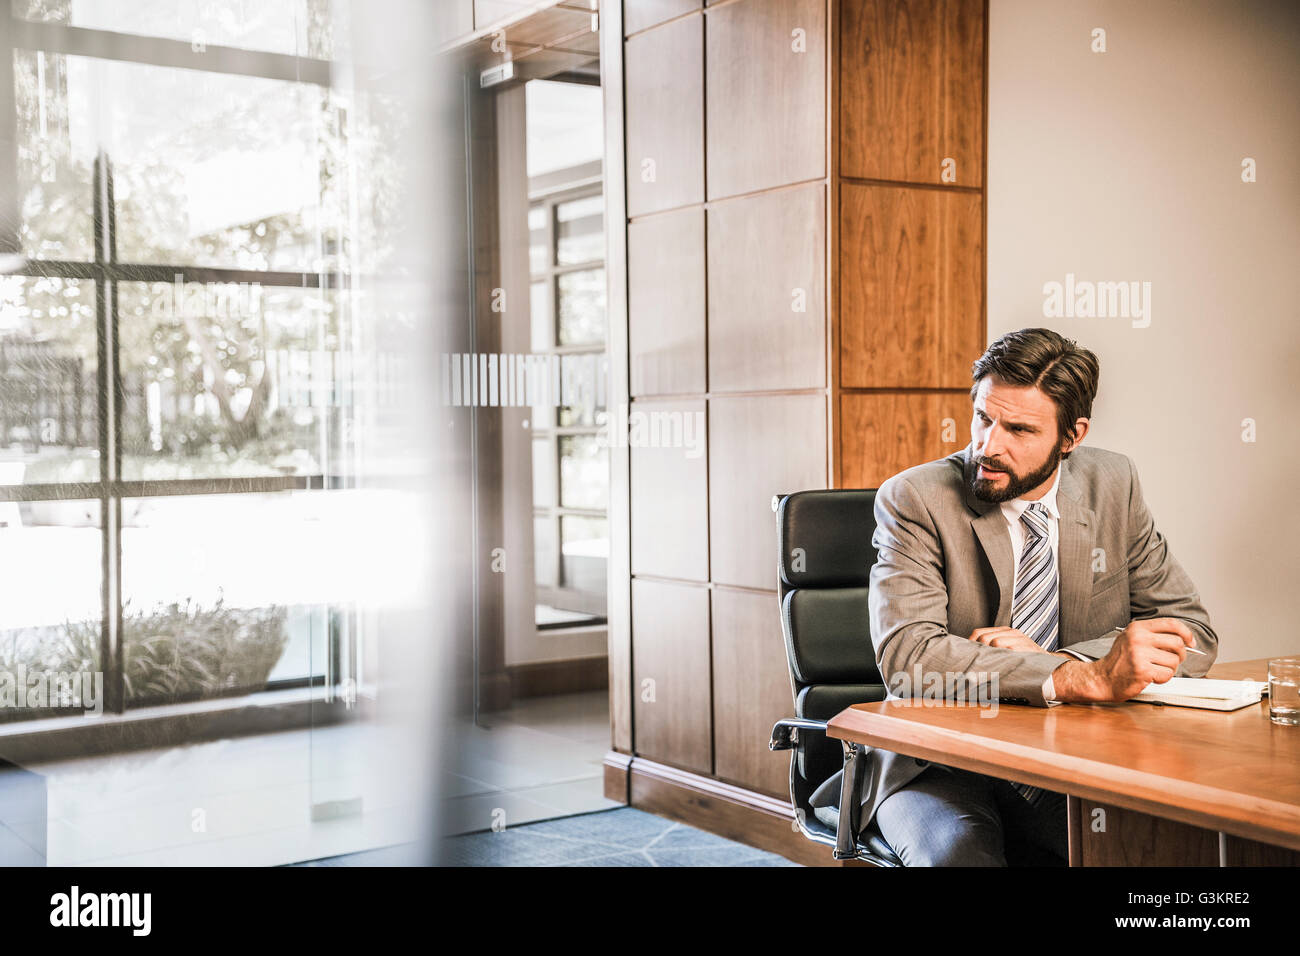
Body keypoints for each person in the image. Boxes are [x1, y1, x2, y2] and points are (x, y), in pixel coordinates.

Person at [852, 327, 1216, 866]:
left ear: (1072, 436)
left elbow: (1193, 633)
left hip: (1067, 760)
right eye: (983, 417)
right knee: (964, 859)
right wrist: (1078, 677)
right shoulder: (917, 499)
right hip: (939, 764)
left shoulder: (1113, 484)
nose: (988, 445)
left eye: (1018, 429)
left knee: (1164, 849)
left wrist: (1057, 663)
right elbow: (909, 660)